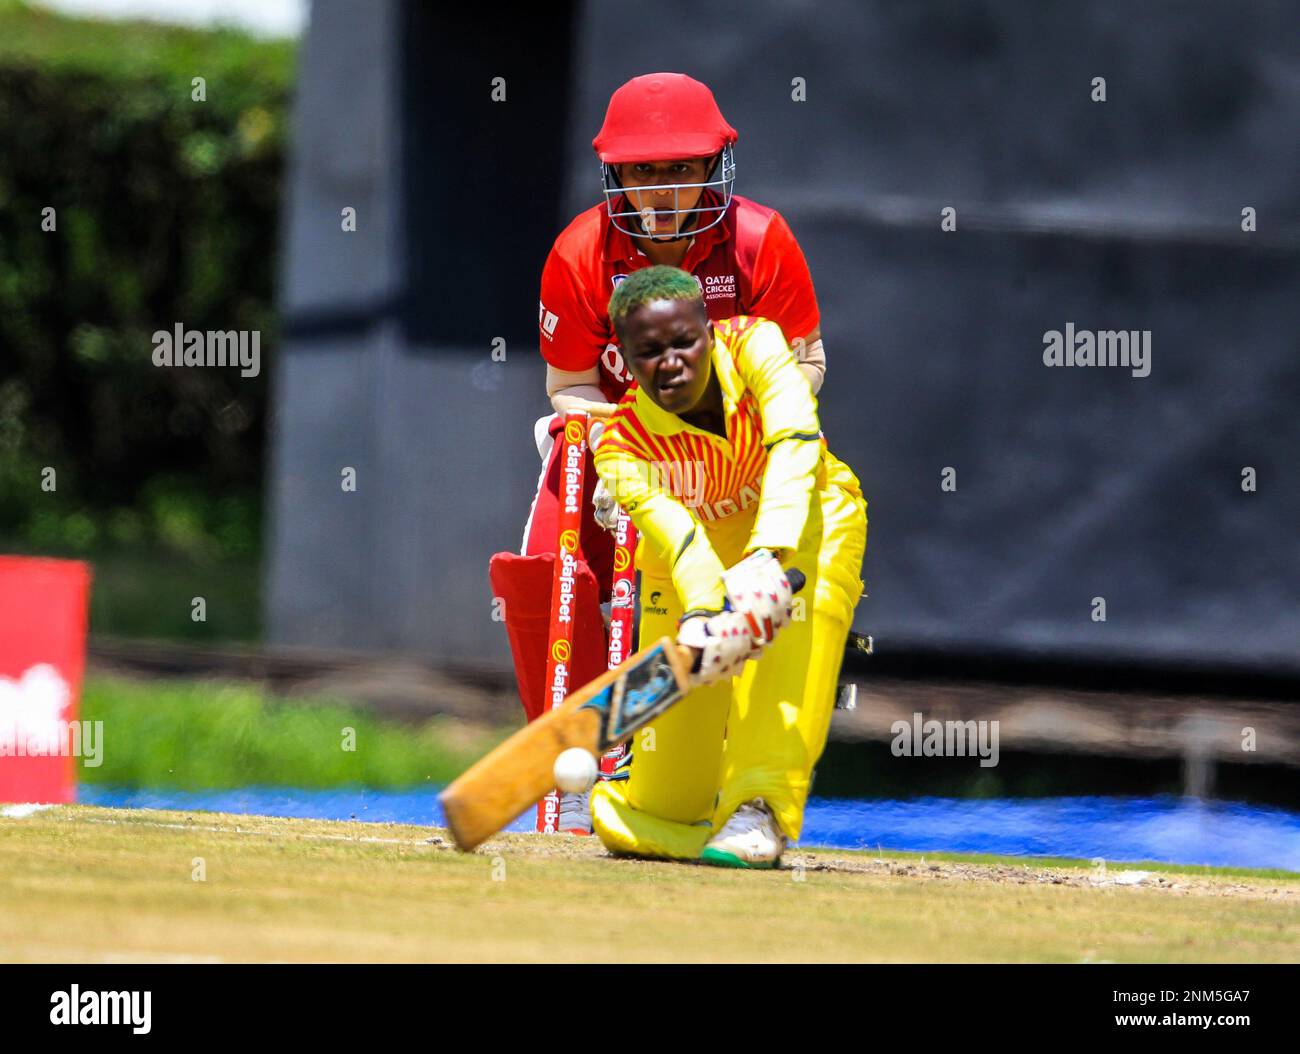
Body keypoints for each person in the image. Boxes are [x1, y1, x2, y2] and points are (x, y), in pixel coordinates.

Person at [496, 72, 831, 834]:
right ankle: (573, 765)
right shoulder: (582, 252)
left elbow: (807, 362)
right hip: (623, 451)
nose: (665, 190)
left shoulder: (757, 242)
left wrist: (748, 439)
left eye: (682, 167)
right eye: (646, 171)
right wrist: (619, 457)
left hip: (732, 464)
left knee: (747, 611)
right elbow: (571, 382)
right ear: (616, 172)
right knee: (549, 572)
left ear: (716, 164)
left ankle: (733, 791)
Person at [588, 265, 867, 867]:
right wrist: (707, 612)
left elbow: (795, 439)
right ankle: (664, 804)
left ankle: (759, 807)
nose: (671, 364)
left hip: (809, 519)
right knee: (658, 812)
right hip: (698, 564)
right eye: (649, 352)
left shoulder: (757, 345)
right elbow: (677, 536)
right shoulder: (619, 445)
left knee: (791, 641)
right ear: (625, 361)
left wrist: (769, 556)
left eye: (684, 342)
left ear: (709, 331)